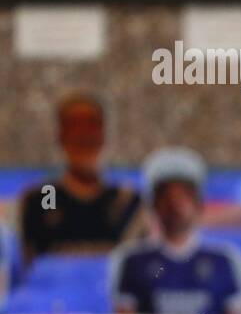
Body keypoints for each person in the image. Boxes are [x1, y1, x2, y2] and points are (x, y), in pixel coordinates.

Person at [109, 148, 241, 314]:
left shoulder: (225, 261)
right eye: (166, 197)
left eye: (184, 196)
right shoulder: (131, 262)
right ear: (153, 206)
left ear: (199, 204)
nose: (175, 205)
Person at [18, 94, 146, 265]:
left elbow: (144, 272)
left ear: (104, 135)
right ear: (61, 136)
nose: (84, 135)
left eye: (93, 126)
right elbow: (27, 270)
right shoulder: (43, 199)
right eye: (74, 126)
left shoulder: (128, 202)